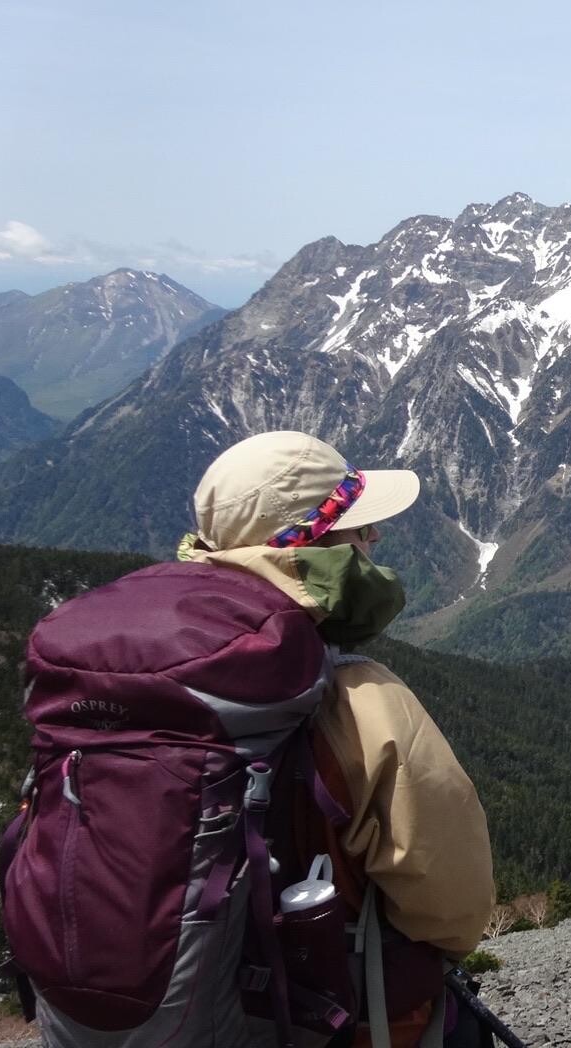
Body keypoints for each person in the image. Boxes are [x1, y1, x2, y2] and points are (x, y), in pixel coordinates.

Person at [179, 430, 496, 1046]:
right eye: (357, 527)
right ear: (309, 546)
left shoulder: (133, 681)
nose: (373, 538)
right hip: (320, 1016)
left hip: (152, 1013)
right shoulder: (356, 700)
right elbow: (453, 906)